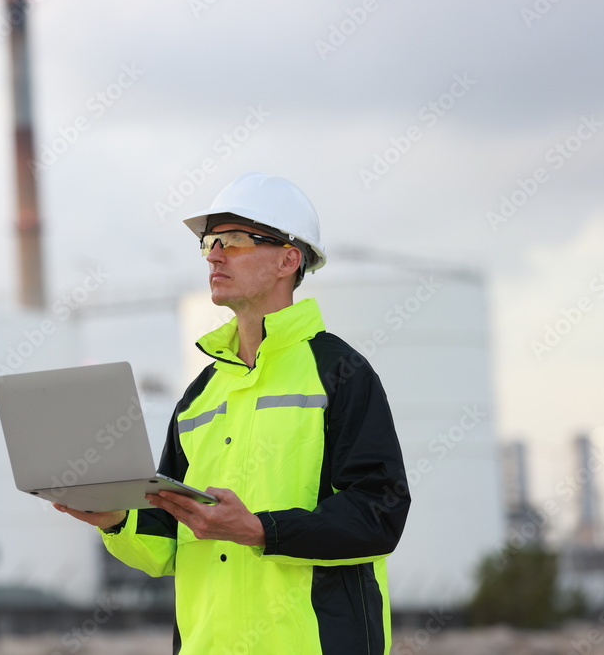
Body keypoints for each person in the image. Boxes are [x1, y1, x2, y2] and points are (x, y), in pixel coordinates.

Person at [54, 172, 411, 654]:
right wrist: (116, 519)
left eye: (237, 239)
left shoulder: (340, 373)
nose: (216, 254)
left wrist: (262, 529)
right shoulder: (199, 398)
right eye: (210, 242)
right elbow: (167, 540)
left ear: (289, 259)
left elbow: (379, 513)